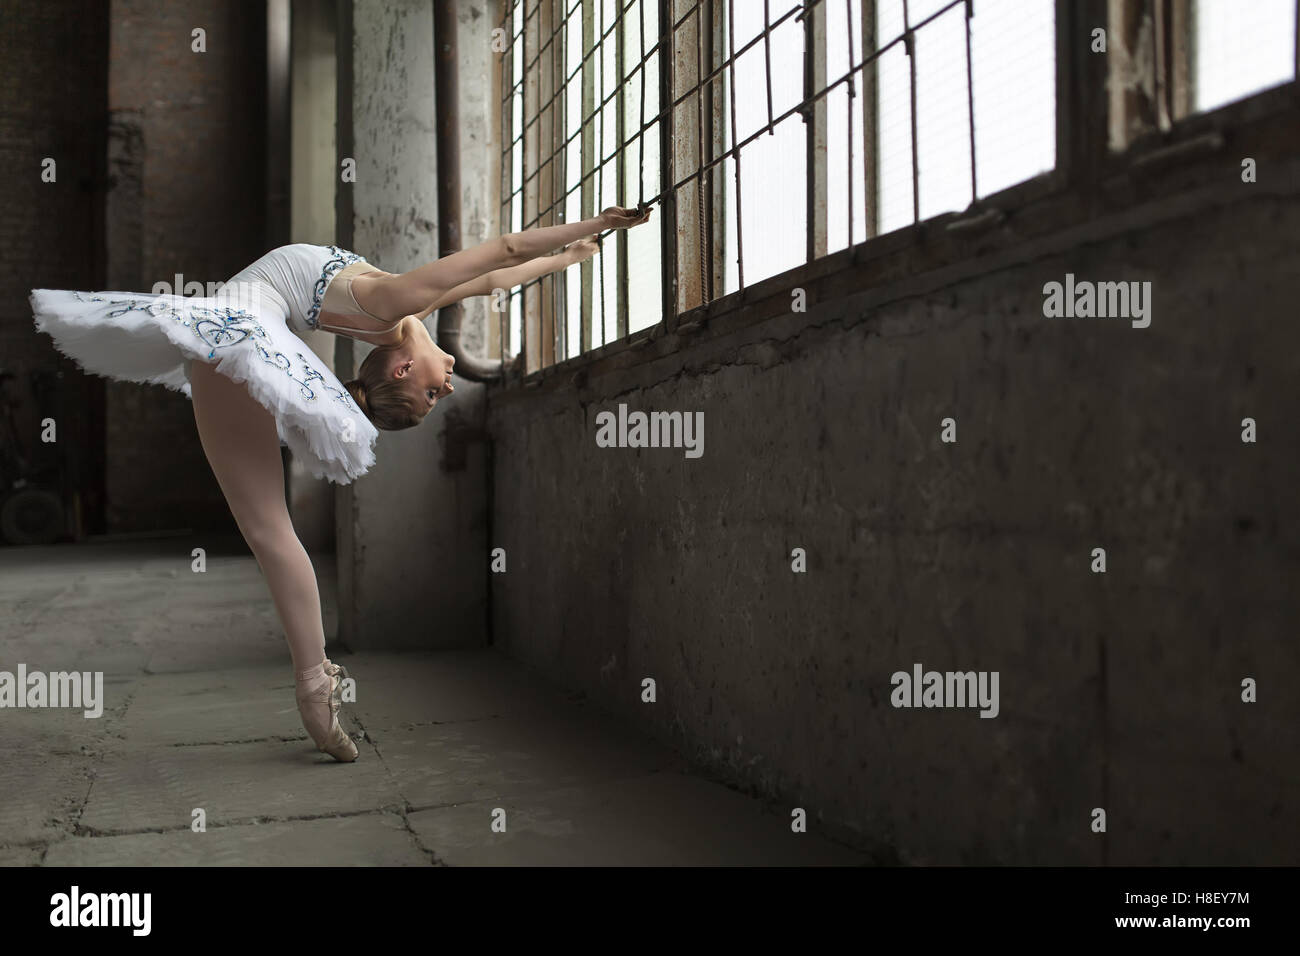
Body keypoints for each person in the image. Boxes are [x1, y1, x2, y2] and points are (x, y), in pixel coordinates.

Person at [30, 204, 653, 762]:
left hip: (228, 334)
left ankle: (314, 683)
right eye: (442, 395)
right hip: (230, 334)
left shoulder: (395, 307)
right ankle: (314, 689)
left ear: (404, 367)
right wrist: (577, 247)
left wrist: (589, 232)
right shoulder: (400, 308)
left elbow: (504, 256)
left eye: (433, 392)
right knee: (269, 530)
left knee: (266, 529)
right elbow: (494, 273)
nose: (451, 382)